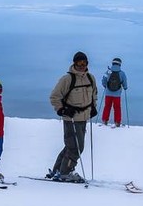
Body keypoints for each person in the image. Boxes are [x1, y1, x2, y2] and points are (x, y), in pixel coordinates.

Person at [47, 51, 98, 182]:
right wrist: (62, 110)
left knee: (71, 146)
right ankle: (66, 172)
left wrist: (93, 107)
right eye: (79, 63)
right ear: (74, 63)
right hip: (71, 118)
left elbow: (94, 95)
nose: (82, 65)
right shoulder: (67, 79)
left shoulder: (90, 78)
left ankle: (57, 170)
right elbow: (54, 97)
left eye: (84, 63)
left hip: (83, 118)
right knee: (76, 147)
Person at [101, 57, 128, 127]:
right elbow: (124, 82)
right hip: (117, 94)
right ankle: (117, 122)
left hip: (108, 93)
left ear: (113, 63)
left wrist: (105, 86)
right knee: (117, 108)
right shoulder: (122, 73)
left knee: (107, 106)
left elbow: (103, 80)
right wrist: (125, 87)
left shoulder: (108, 72)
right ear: (120, 64)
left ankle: (105, 120)